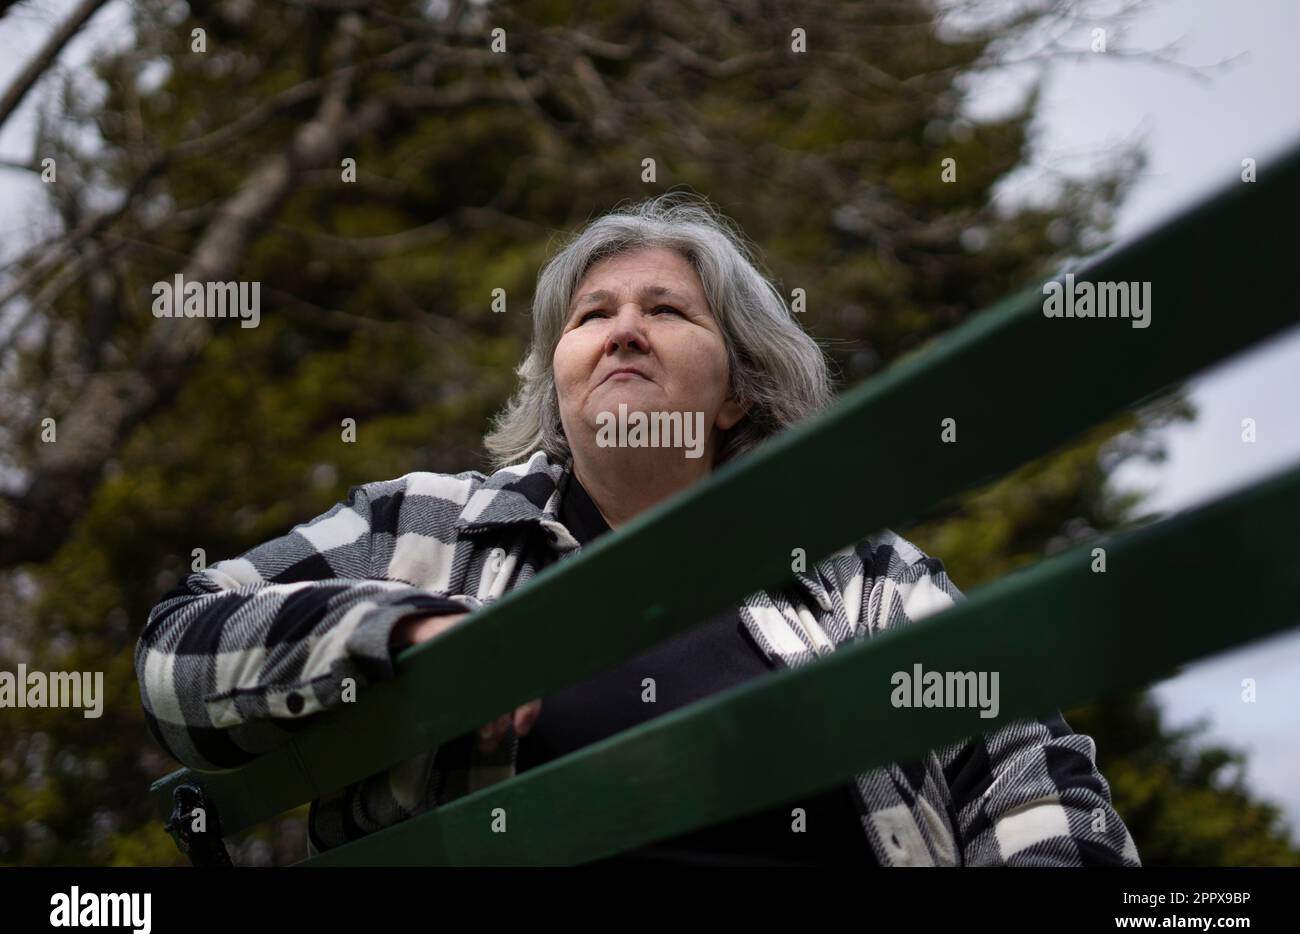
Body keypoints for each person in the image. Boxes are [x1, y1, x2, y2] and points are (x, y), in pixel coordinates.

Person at [135, 193, 1141, 866]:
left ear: (739, 390)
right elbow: (175, 651)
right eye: (591, 315)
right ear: (558, 381)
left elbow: (1033, 780)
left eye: (666, 310)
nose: (621, 329)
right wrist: (400, 636)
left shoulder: (860, 576)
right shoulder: (427, 525)